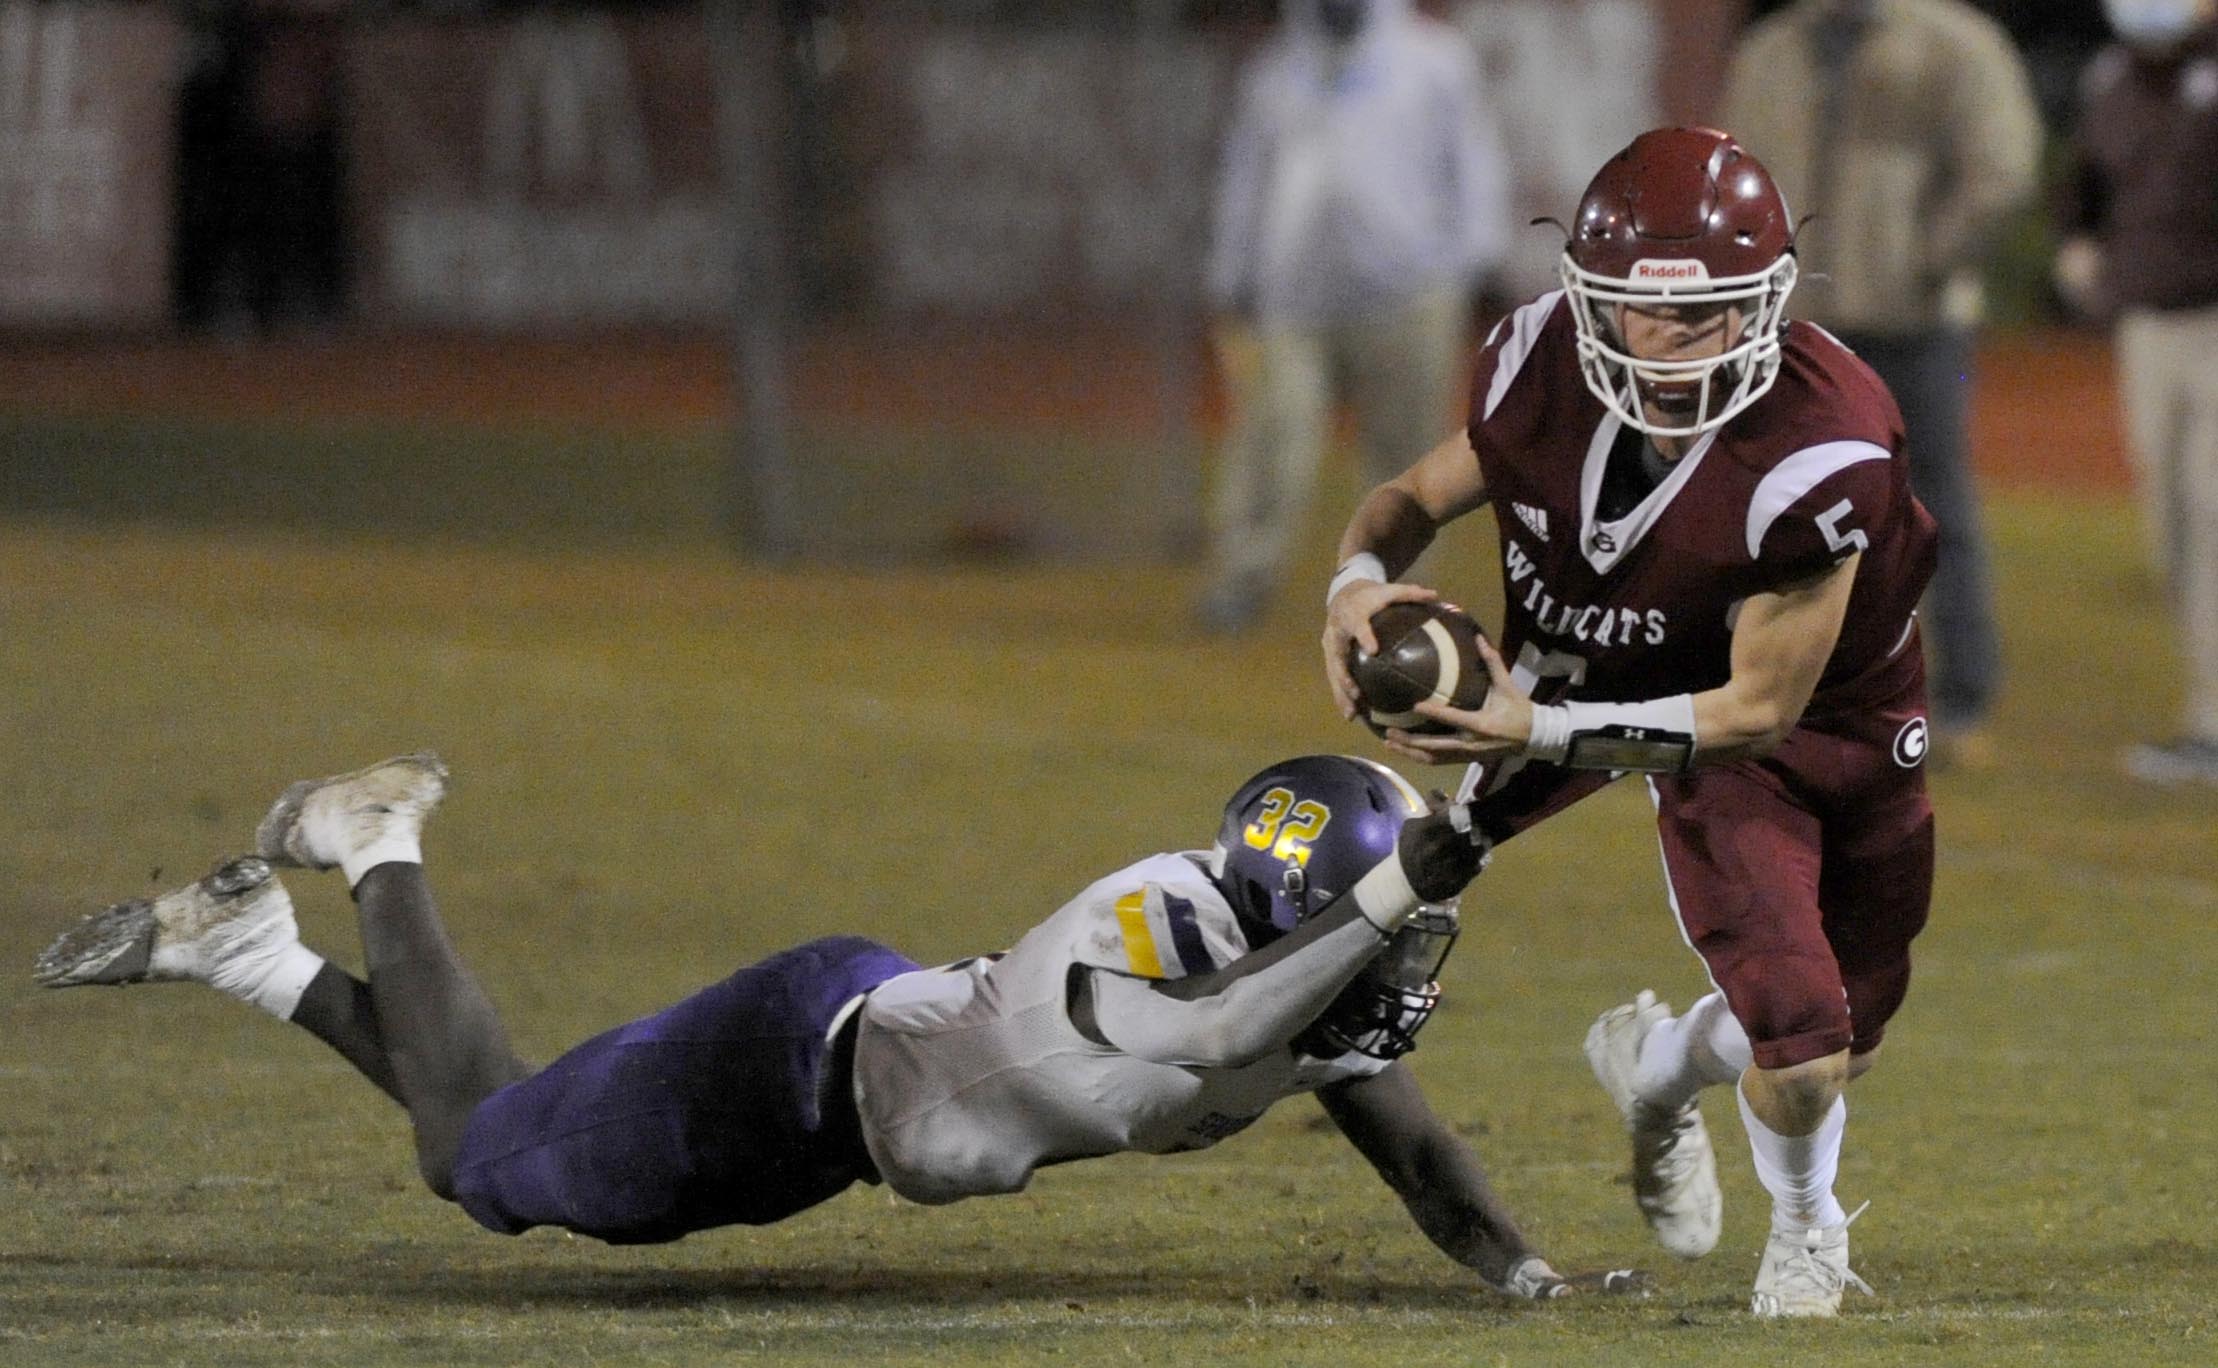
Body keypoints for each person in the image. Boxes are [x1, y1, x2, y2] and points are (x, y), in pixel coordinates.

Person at [34, 750, 1642, 1300]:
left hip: (845, 1117)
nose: (1402, 954)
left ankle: (247, 949)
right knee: (477, 1153)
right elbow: (1219, 1039)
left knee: (513, 1127)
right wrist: (1376, 908)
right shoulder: (1155, 928)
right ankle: (377, 840)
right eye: (1378, 917)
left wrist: (1529, 1278)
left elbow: (1419, 1155)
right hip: (788, 1069)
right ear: (1310, 905)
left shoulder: (1301, 965)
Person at [1319, 127, 1940, 1318]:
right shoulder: (1535, 369)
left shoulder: (1825, 443)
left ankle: (1658, 1073)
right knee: (1805, 1056)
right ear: (1585, 303)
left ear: (1767, 300)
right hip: (1683, 723)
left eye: (1709, 312)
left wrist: (1539, 731)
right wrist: (1350, 587)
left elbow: (1763, 710)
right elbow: (1405, 500)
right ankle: (1806, 1230)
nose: (1671, 343)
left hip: (1833, 720)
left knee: (1843, 1043)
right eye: (1641, 312)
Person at [1719, 0, 2043, 769]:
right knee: (1770, 511)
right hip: (1789, 324)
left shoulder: (1953, 41)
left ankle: (1961, 703)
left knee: (1933, 509)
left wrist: (1929, 260)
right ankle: (1768, 700)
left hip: (1917, 325)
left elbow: (2002, 169)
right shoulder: (1772, 49)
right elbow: (1726, 171)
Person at [1197, 0, 1510, 633]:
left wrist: (1478, 258)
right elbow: (1247, 178)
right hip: (1293, 300)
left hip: (1409, 292)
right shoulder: (1277, 70)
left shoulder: (1434, 60)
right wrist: (1232, 272)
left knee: (1406, 461)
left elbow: (1473, 161)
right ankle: (1242, 580)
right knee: (1272, 442)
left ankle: (1401, 597)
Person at [2055, 0, 2218, 787]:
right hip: (2147, 326)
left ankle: (2214, 726)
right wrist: (2078, 241)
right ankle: (2207, 711)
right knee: (2175, 528)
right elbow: (2085, 177)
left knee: (2216, 517)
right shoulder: (2116, 75)